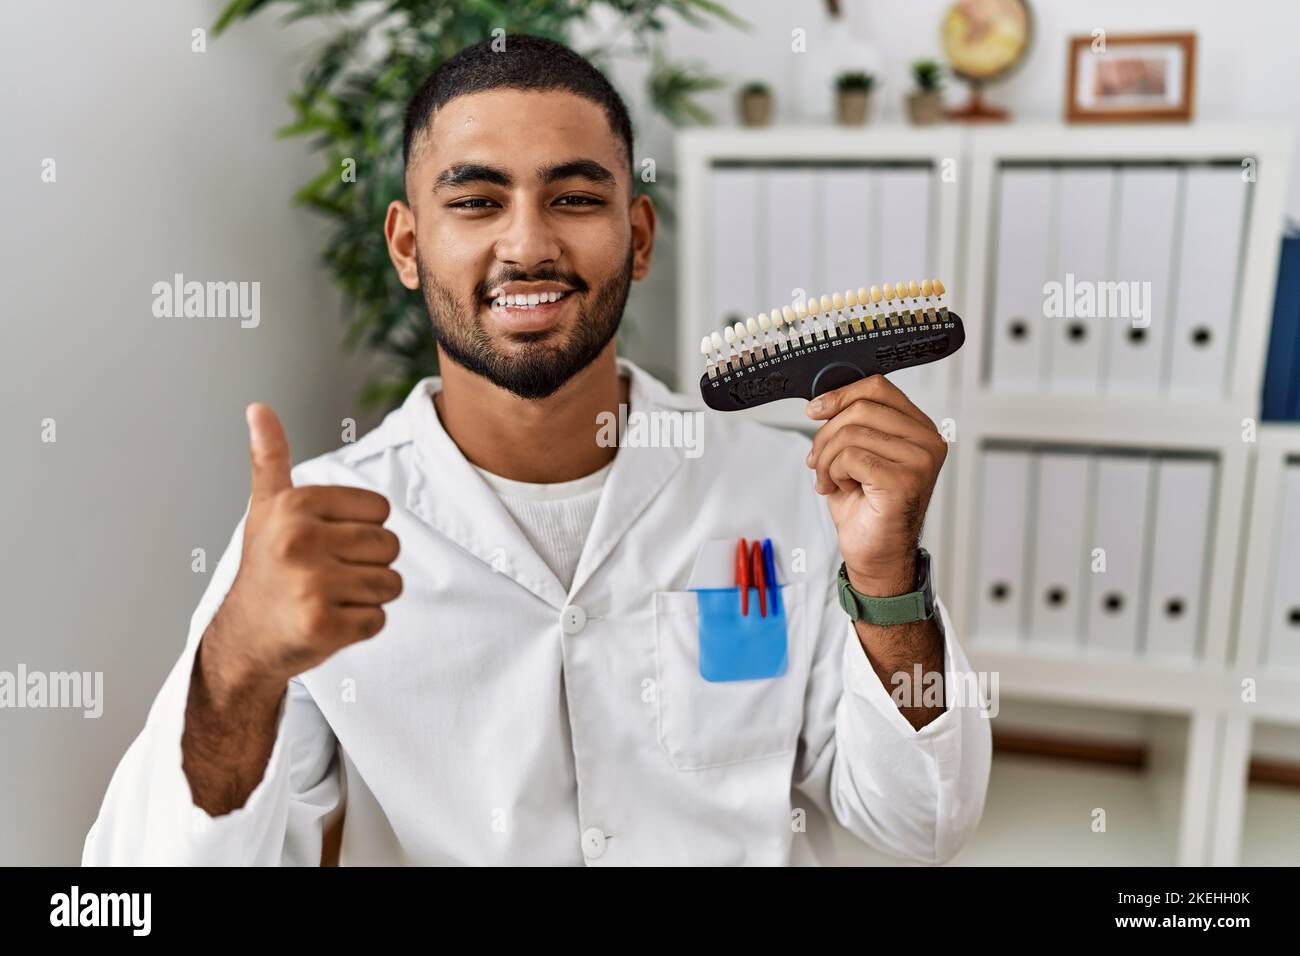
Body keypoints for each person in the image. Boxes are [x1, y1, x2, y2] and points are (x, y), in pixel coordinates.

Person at [83, 34, 990, 866]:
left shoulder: (784, 492)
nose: (527, 243)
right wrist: (238, 662)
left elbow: (921, 824)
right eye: (477, 201)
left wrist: (886, 581)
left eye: (575, 198)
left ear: (636, 239)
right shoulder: (311, 539)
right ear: (408, 244)